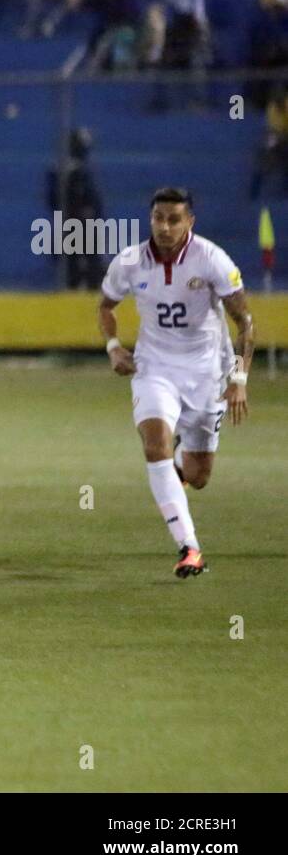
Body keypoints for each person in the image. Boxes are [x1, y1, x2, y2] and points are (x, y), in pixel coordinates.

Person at [97, 187, 255, 578]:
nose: (164, 227)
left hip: (207, 375)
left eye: (173, 219)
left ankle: (176, 466)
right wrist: (114, 347)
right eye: (158, 219)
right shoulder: (131, 262)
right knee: (155, 447)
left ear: (190, 222)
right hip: (155, 369)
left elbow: (245, 322)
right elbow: (105, 306)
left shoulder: (212, 259)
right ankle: (190, 548)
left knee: (198, 477)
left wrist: (238, 378)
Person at [47, 127, 106, 289]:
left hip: (81, 227)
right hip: (73, 227)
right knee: (76, 269)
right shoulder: (66, 172)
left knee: (88, 268)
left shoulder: (70, 171)